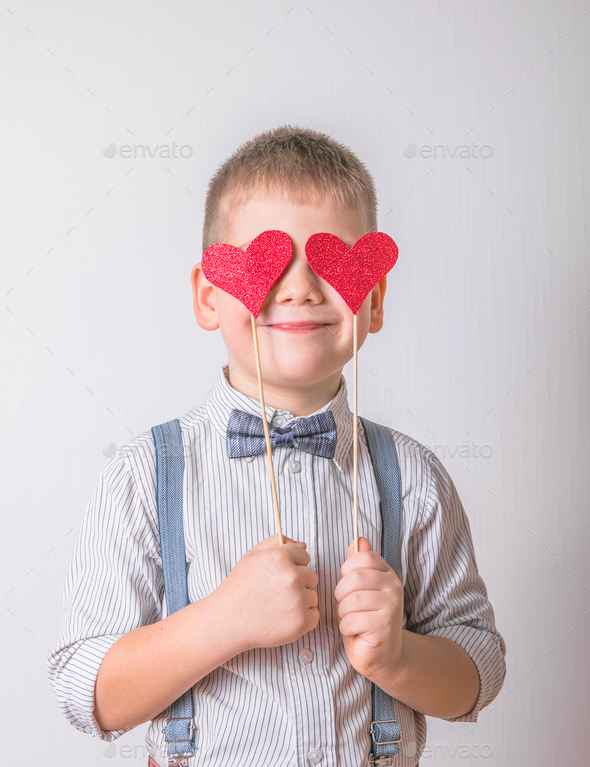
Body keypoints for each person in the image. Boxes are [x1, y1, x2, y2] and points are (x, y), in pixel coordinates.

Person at [47, 125, 507, 767]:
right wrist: (222, 620)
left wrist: (399, 655)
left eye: (329, 262)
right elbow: (85, 695)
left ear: (372, 301)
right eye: (270, 259)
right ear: (210, 298)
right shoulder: (141, 477)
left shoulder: (415, 477)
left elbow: (477, 675)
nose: (299, 288)